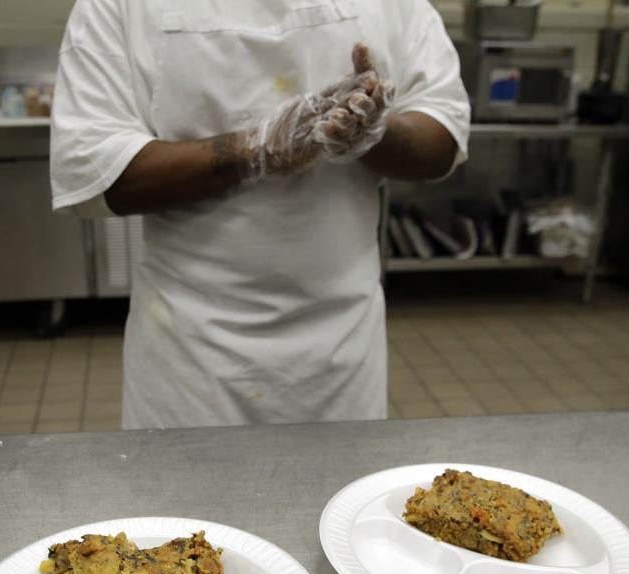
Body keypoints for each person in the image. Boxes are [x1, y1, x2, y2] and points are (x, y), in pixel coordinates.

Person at [51, 0, 469, 430]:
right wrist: (256, 149)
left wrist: (371, 132)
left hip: (342, 350)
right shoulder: (119, 7)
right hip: (189, 355)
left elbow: (443, 135)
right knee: (182, 494)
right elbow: (93, 170)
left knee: (338, 494)